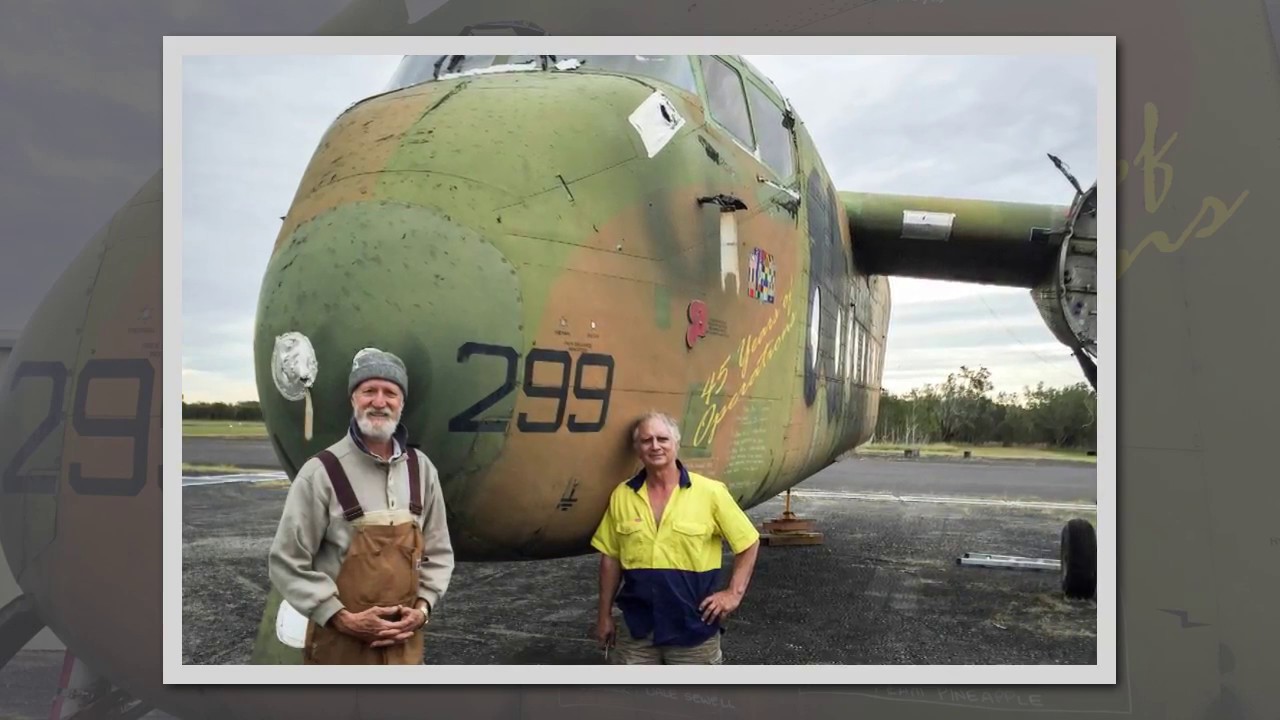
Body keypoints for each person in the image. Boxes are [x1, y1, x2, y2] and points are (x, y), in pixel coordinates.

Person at [268, 347, 454, 665]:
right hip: (340, 652)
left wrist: (422, 610)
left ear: (402, 403)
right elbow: (287, 562)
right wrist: (341, 618)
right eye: (369, 391)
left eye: (390, 393)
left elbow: (439, 553)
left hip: (404, 652)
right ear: (354, 399)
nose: (379, 402)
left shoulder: (421, 470)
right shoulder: (320, 473)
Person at [589, 411, 760, 664]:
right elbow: (611, 559)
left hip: (693, 629)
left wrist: (733, 594)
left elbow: (748, 542)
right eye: (647, 441)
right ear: (637, 449)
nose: (655, 446)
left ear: (675, 444)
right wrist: (603, 616)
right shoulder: (622, 495)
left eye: (663, 439)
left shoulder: (710, 493)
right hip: (637, 630)